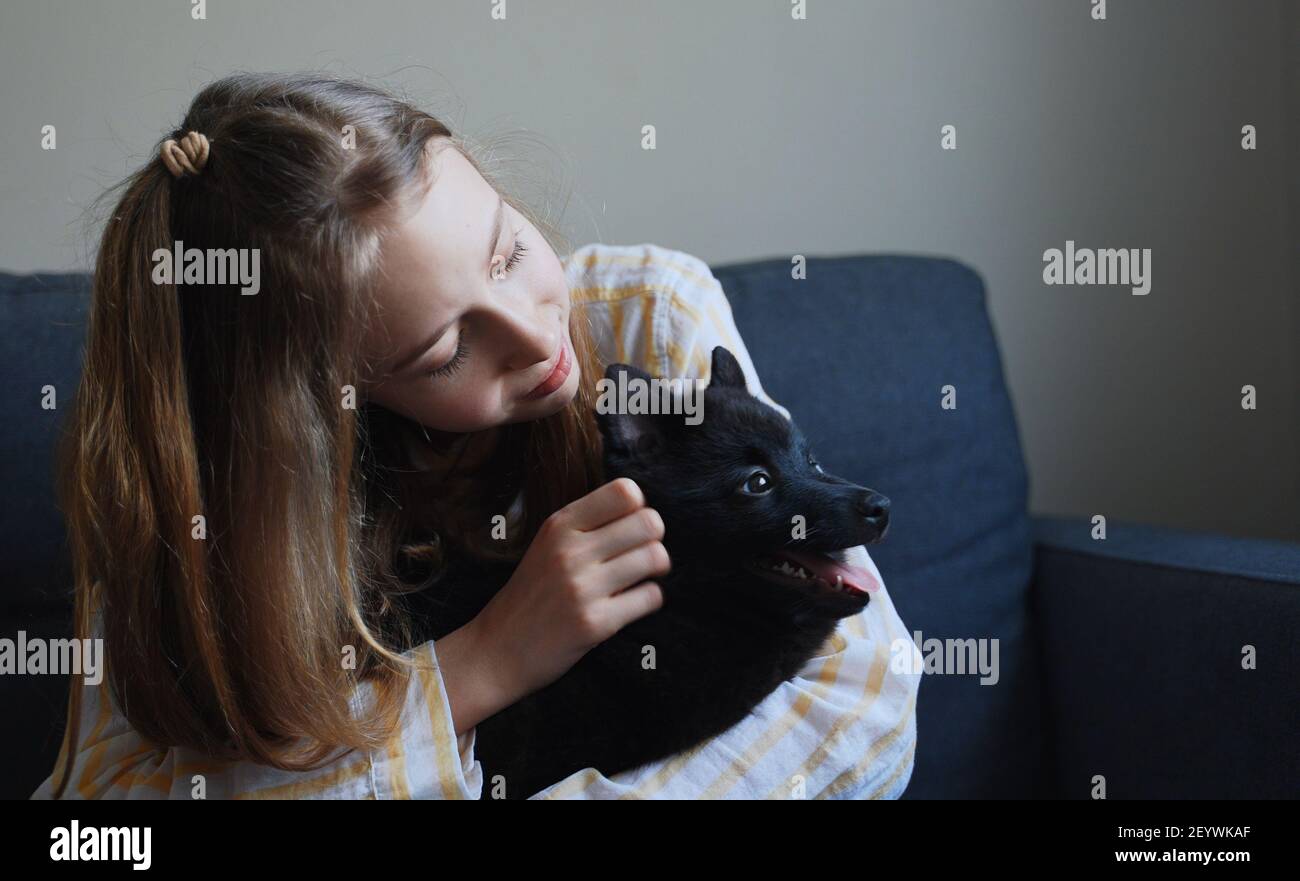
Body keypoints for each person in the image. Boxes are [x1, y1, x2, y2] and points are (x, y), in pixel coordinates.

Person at [33, 72, 919, 800]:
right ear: (322, 408)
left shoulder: (646, 316)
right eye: (449, 349)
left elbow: (868, 702)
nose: (539, 341)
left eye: (510, 254)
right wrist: (481, 663)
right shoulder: (198, 484)